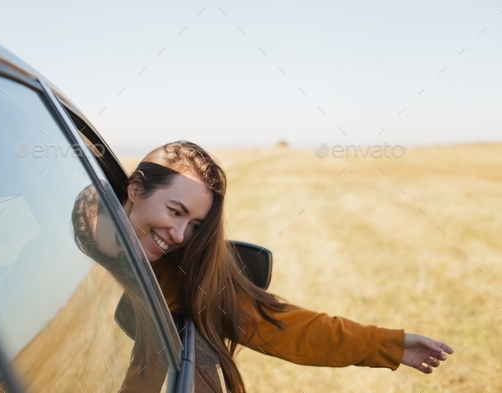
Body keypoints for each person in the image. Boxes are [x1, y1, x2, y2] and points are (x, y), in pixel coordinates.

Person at [72, 140, 453, 393]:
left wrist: (386, 344)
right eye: (175, 211)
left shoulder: (177, 275)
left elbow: (278, 323)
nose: (178, 235)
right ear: (136, 189)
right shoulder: (58, 231)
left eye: (194, 226)